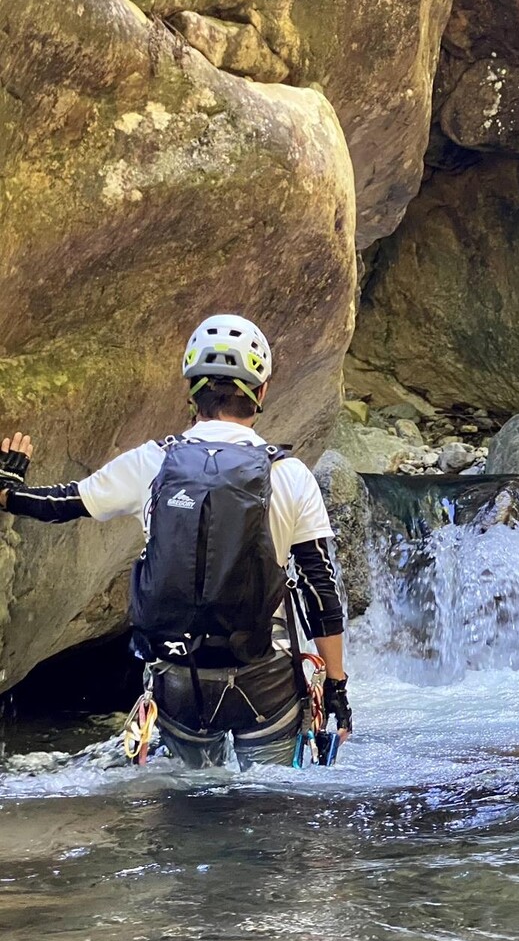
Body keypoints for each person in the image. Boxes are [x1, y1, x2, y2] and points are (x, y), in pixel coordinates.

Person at [0, 314, 351, 769]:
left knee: (190, 802)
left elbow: (64, 503)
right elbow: (320, 592)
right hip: (263, 679)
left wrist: (9, 488)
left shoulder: (151, 462)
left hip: (179, 680)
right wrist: (337, 688)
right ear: (261, 392)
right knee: (271, 812)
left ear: (192, 391)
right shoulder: (289, 474)